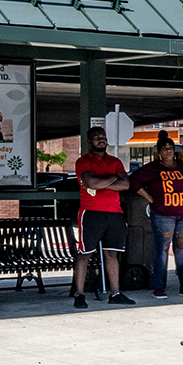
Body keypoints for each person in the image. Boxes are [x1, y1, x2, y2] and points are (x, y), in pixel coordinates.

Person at [130, 134, 183, 298]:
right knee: (162, 250)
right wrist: (148, 198)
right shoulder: (152, 168)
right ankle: (159, 287)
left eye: (170, 148)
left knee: (181, 250)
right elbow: (133, 181)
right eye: (164, 149)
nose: (168, 151)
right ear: (159, 152)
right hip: (162, 215)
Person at [70, 124, 131, 306]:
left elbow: (126, 184)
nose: (101, 139)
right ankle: (79, 295)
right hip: (91, 213)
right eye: (96, 137)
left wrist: (101, 181)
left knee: (112, 254)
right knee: (84, 254)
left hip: (115, 213)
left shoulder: (115, 161)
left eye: (103, 136)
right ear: (89, 141)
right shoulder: (83, 161)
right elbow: (91, 182)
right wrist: (113, 178)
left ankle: (115, 293)